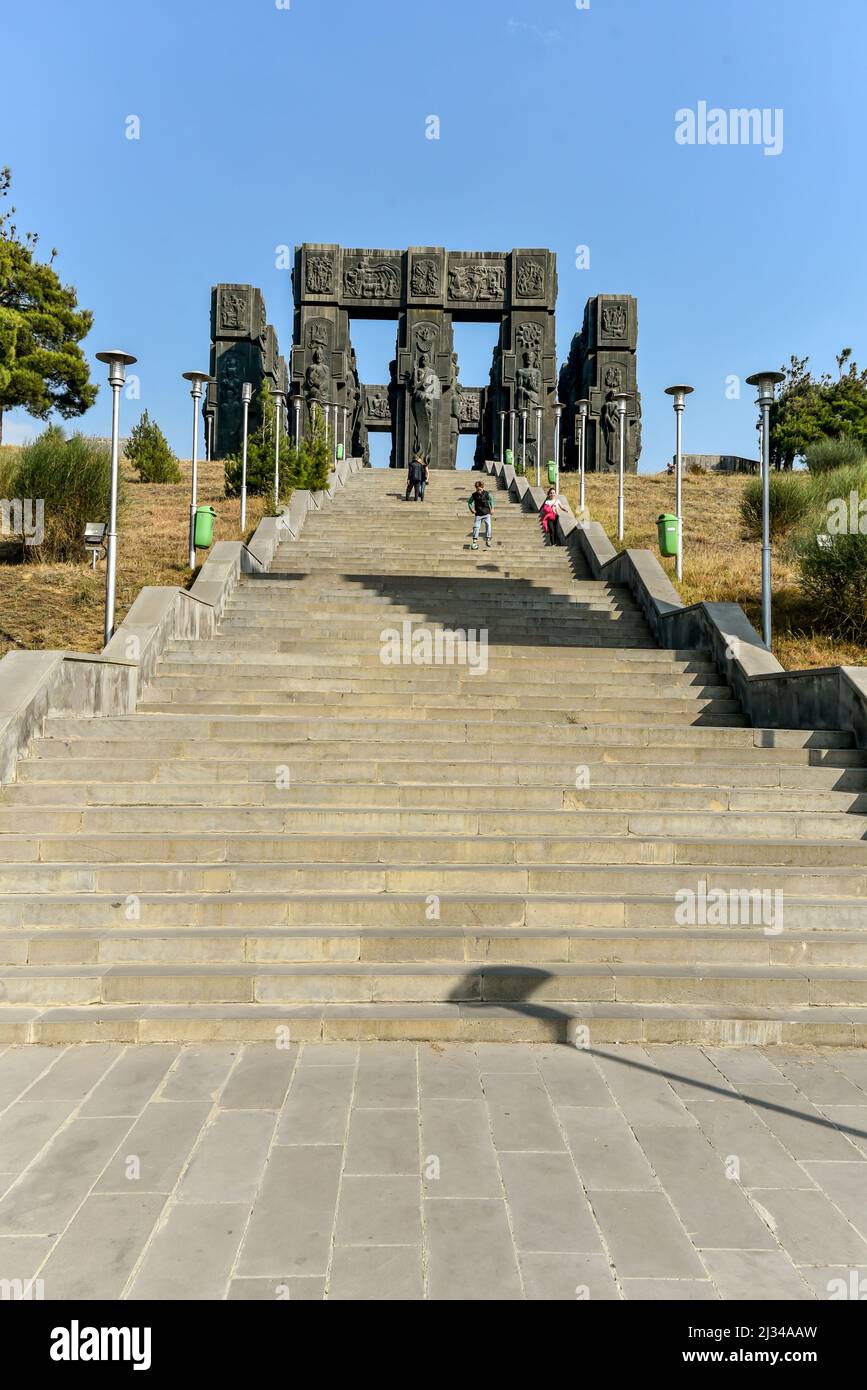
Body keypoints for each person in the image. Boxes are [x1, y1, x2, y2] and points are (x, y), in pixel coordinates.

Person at [467, 478, 494, 549]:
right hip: (478, 513)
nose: (479, 491)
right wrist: (471, 509)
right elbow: (469, 502)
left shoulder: (487, 493)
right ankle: (474, 540)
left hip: (486, 512)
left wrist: (492, 508)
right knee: (476, 527)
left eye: (480, 489)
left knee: (488, 525)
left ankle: (488, 539)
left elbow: (491, 501)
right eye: (477, 489)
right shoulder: (474, 495)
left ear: (483, 488)